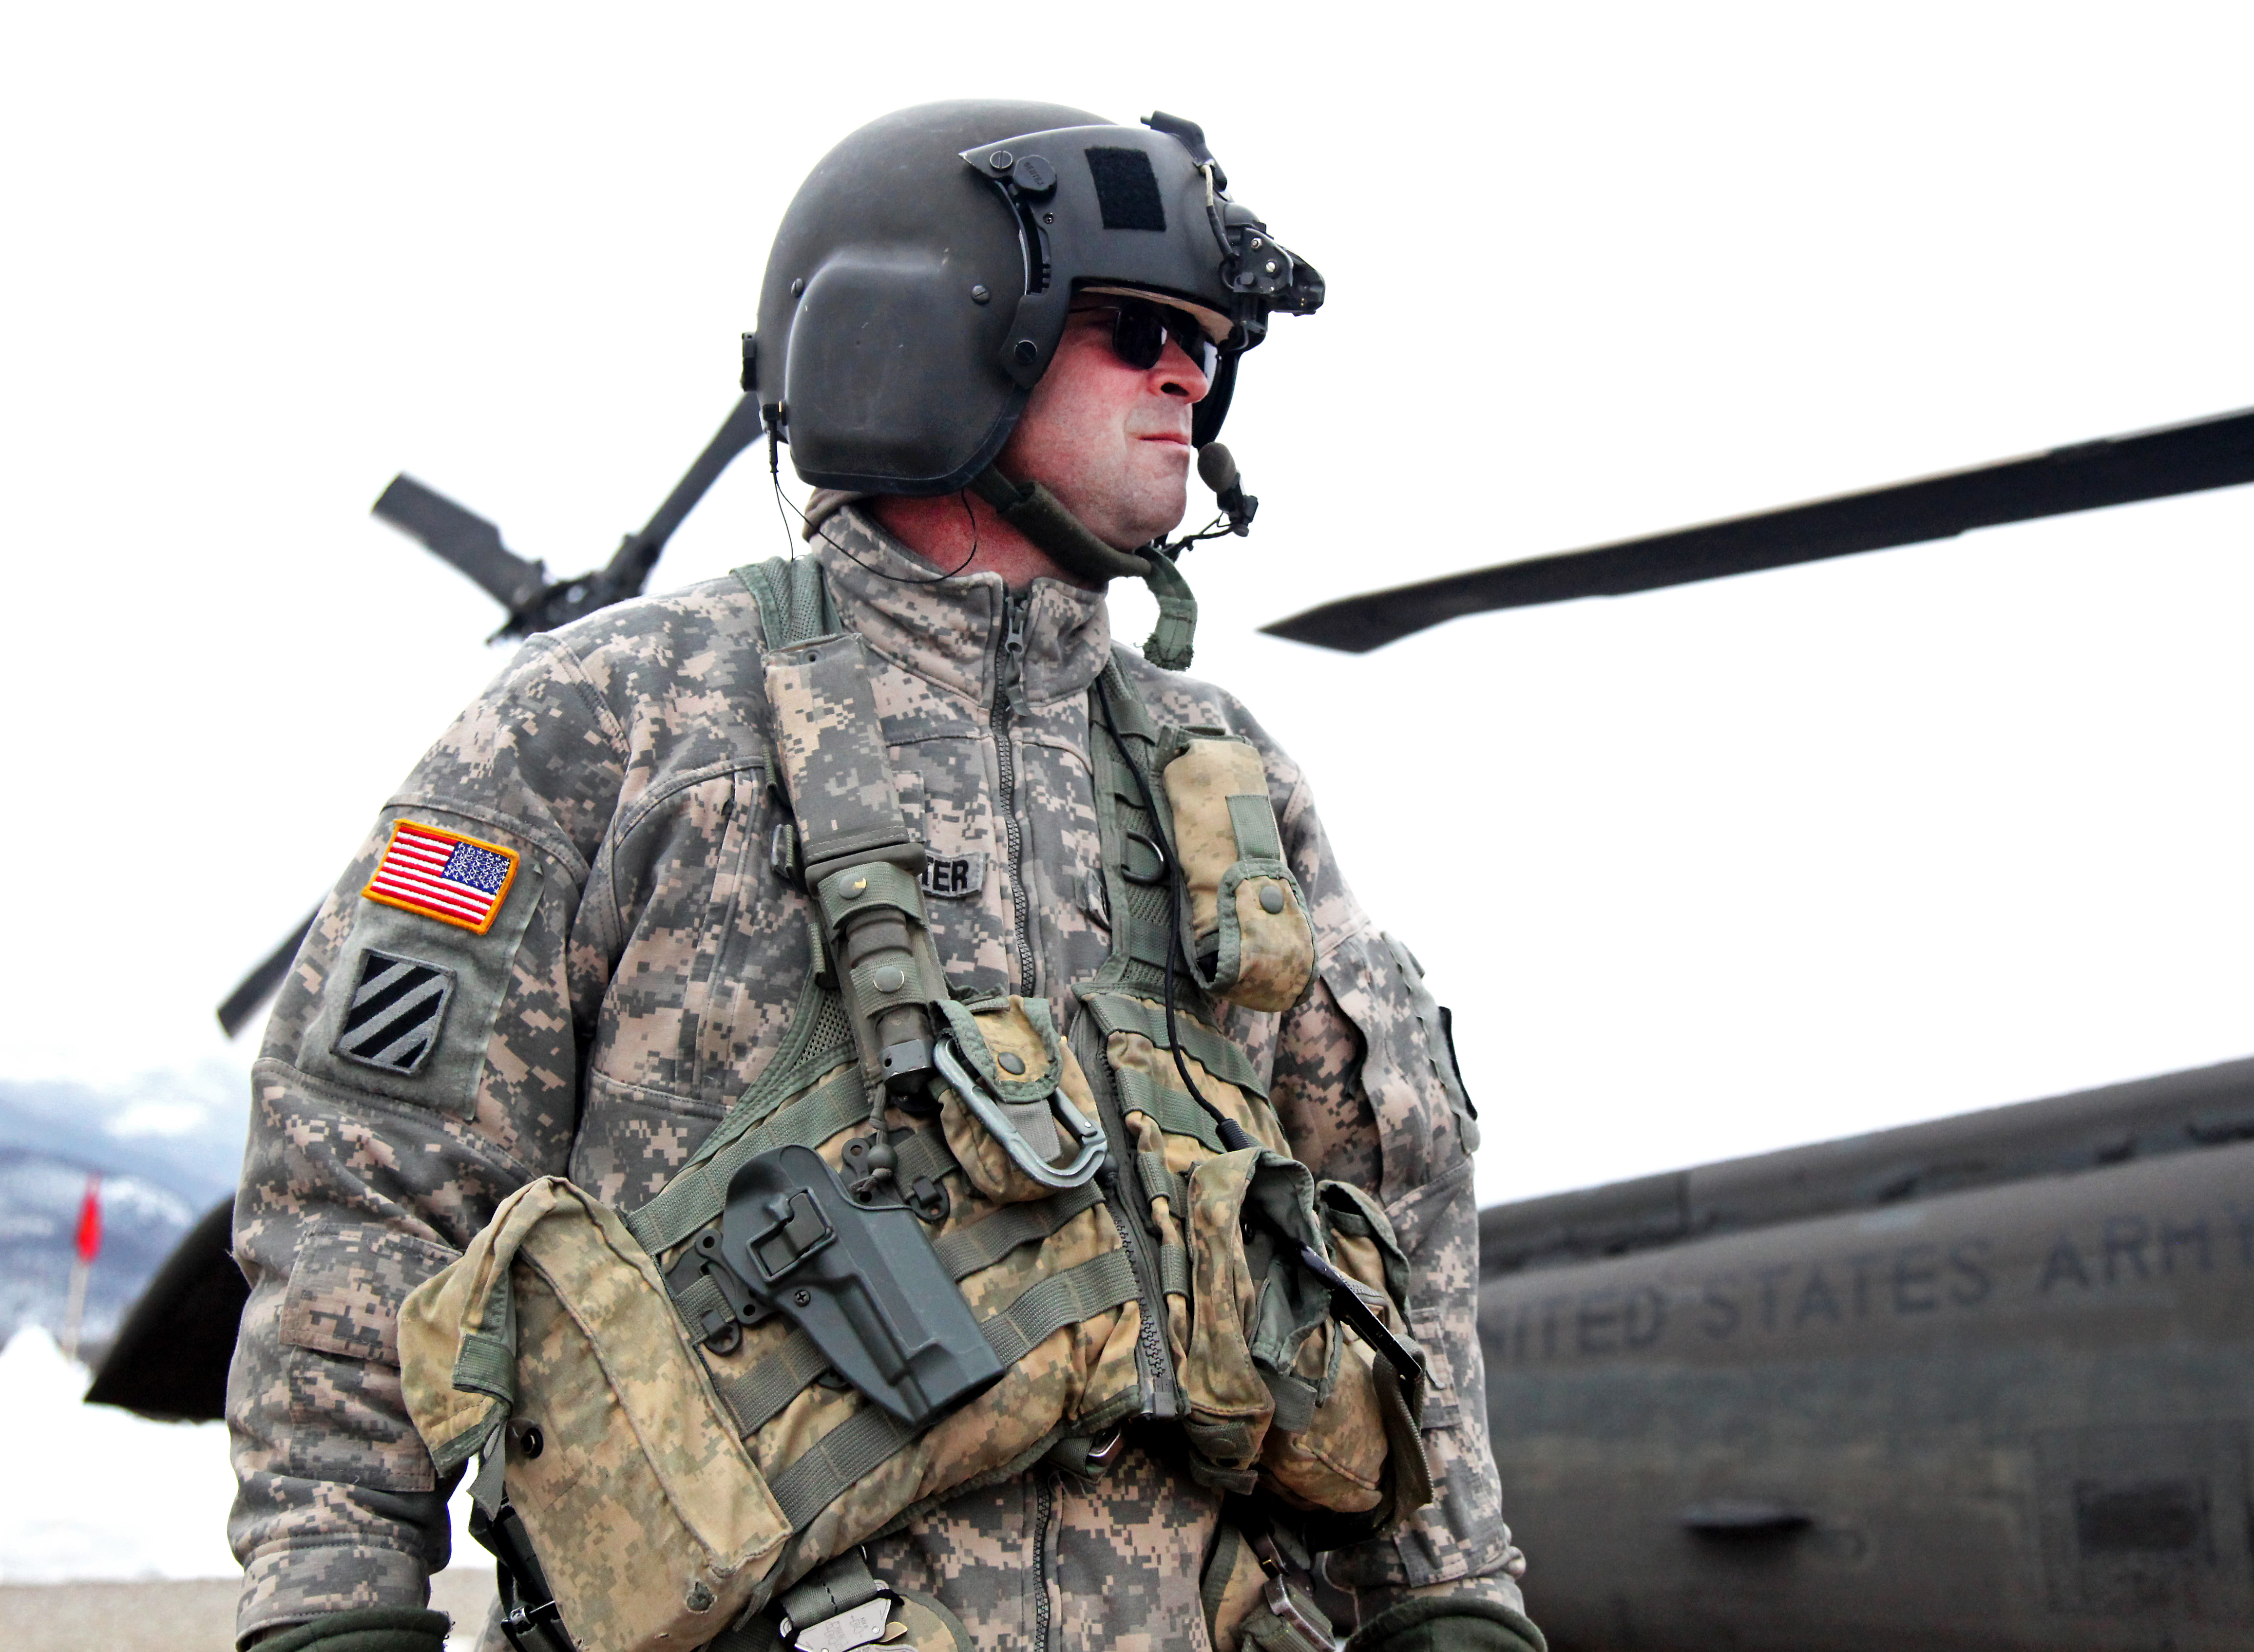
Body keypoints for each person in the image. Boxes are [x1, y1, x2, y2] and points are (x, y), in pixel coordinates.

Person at [228, 100, 1534, 1652]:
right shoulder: (615, 723)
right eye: (1132, 330)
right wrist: (331, 1602)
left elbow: (1395, 1210)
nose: (1190, 374)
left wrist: (1451, 1595)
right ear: (921, 336)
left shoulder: (1224, 777)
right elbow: (365, 1183)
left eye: (1205, 339)